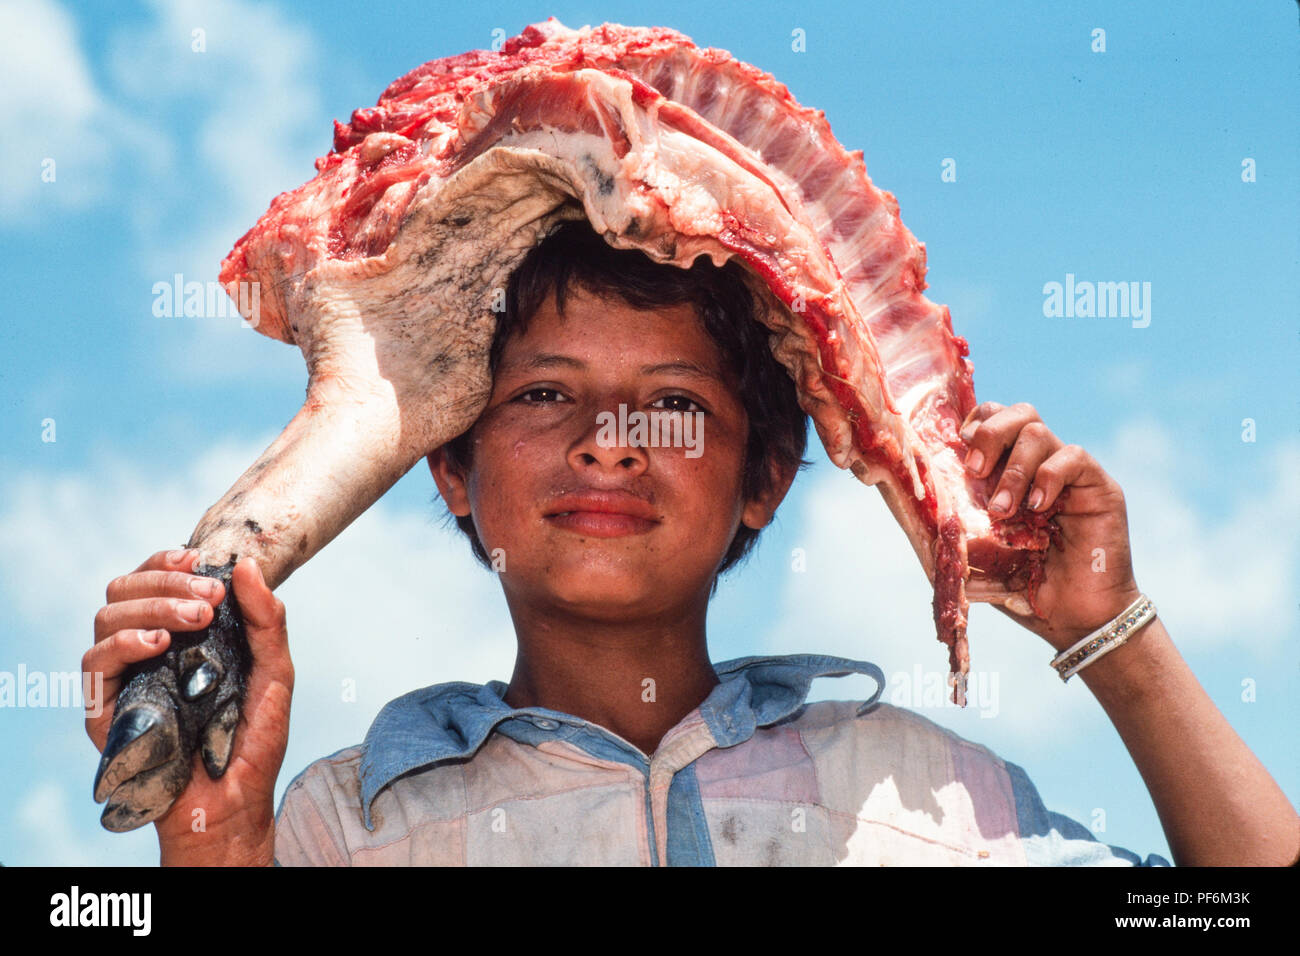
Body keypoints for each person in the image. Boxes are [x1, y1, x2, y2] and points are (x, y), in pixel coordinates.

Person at [86, 220, 1300, 866]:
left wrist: (1115, 639)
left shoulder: (923, 793)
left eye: (672, 403)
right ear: (449, 466)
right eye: (544, 395)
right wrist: (212, 842)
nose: (609, 444)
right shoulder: (345, 823)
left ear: (764, 477)